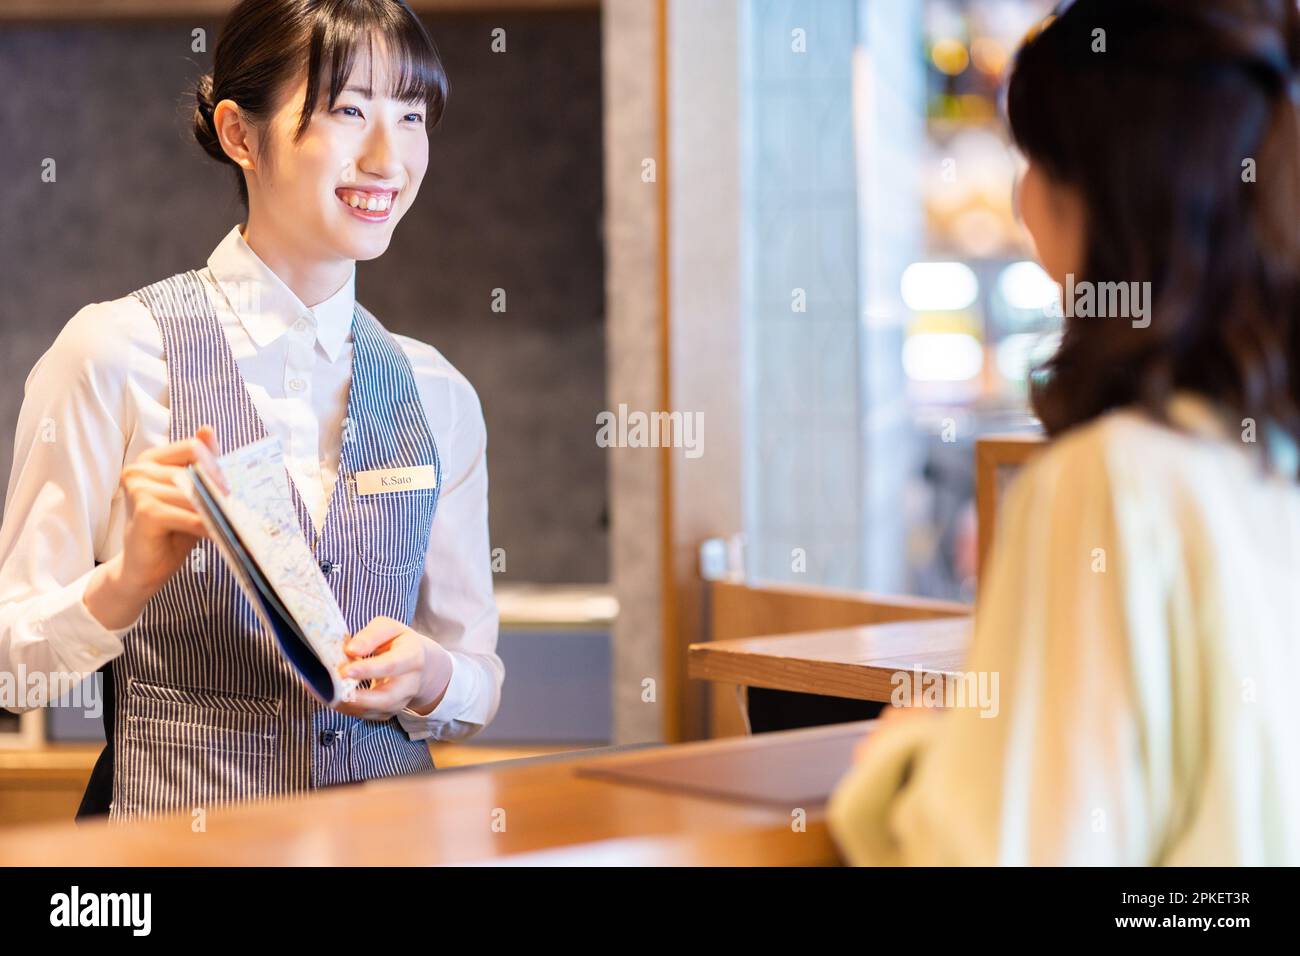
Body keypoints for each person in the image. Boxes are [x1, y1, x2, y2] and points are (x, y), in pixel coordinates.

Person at [0, 0, 502, 822]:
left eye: (411, 116)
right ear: (240, 135)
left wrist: (433, 675)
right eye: (349, 110)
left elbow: (476, 668)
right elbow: (10, 667)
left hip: (387, 842)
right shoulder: (115, 354)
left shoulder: (436, 391)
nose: (390, 158)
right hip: (172, 839)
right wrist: (124, 584)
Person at [828, 0, 1300, 865]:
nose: (1018, 194)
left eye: (1033, 157)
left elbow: (999, 852)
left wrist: (898, 761)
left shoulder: (1112, 481)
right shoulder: (1261, 456)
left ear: (1100, 188)